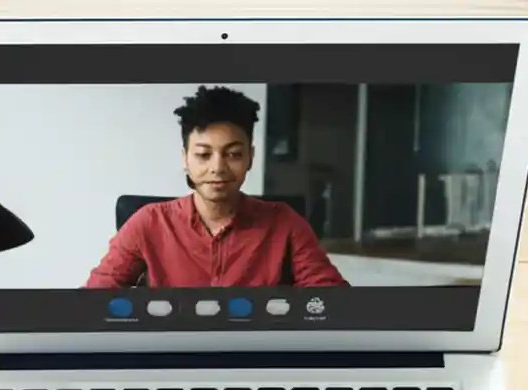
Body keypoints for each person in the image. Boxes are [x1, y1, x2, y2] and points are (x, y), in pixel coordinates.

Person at [83, 85, 348, 289]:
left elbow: (333, 301)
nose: (218, 168)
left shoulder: (285, 223)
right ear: (185, 158)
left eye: (233, 154)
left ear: (250, 158)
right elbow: (94, 298)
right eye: (203, 154)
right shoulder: (148, 222)